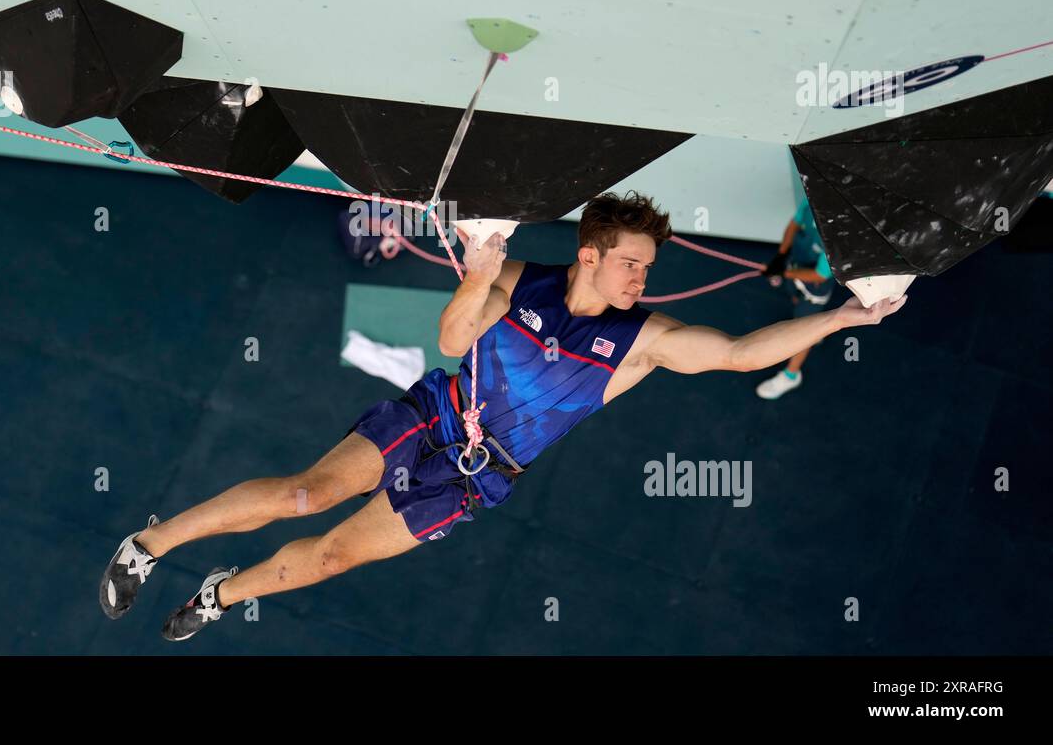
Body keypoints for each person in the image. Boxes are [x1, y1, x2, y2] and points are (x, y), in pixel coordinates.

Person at [99, 190, 905, 642]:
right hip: (434, 413)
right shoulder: (520, 279)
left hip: (478, 478)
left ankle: (223, 594)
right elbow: (452, 336)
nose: (640, 278)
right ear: (589, 254)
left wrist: (841, 319)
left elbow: (738, 353)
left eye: (647, 267)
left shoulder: (645, 339)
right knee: (305, 494)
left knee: (335, 556)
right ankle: (149, 543)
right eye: (631, 262)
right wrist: (477, 274)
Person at [755, 197, 836, 399]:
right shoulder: (811, 200)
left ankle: (791, 375)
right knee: (793, 299)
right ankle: (813, 329)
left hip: (813, 291)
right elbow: (793, 225)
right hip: (794, 269)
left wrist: (782, 272)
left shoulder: (837, 238)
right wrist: (780, 256)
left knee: (801, 334)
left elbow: (820, 275)